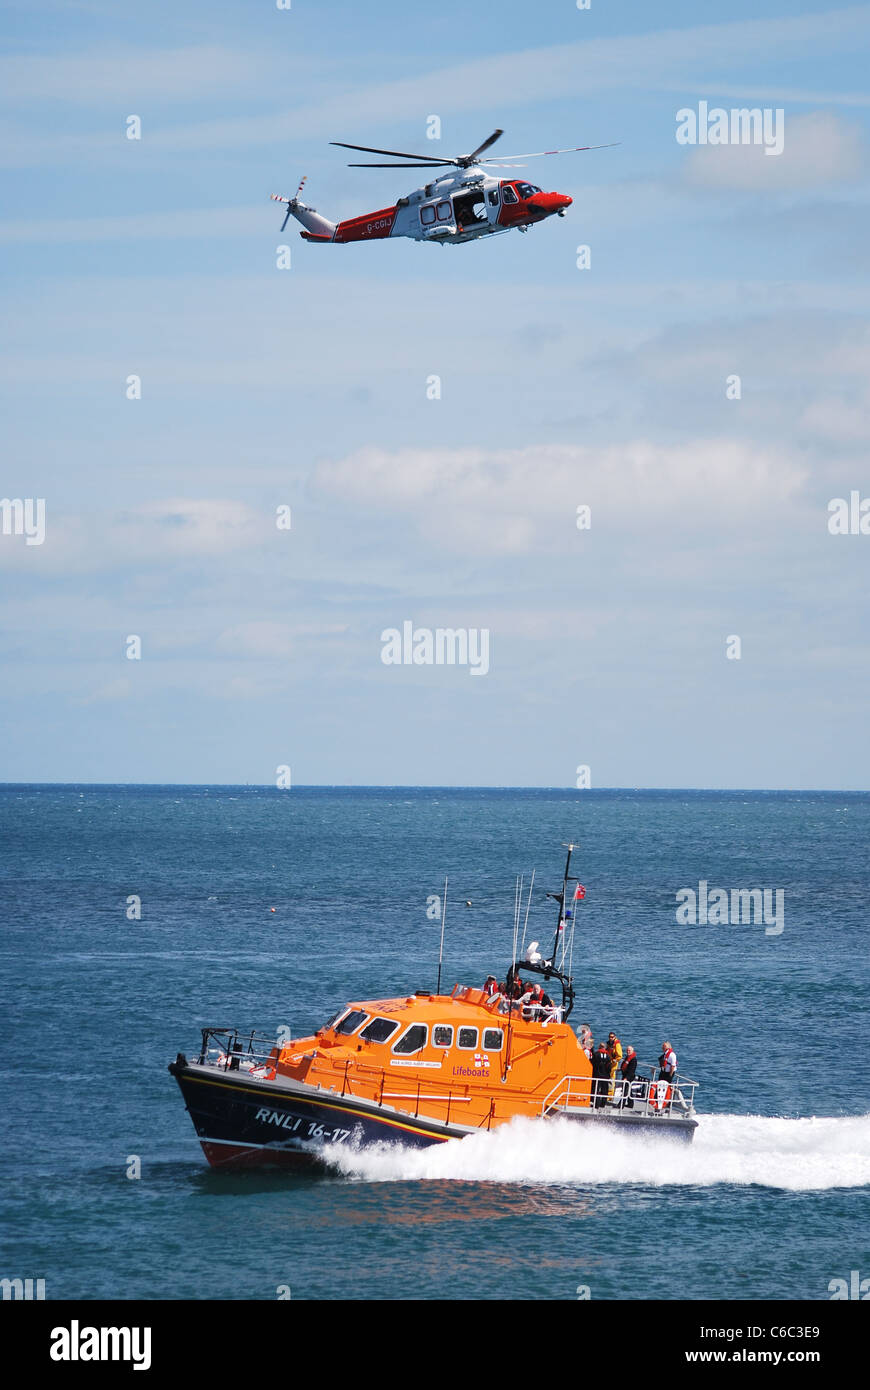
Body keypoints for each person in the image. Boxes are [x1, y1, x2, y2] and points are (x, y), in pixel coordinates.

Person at [591, 1039, 611, 1108]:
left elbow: (593, 1063)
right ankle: (603, 1104)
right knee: (604, 1091)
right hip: (605, 1076)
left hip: (597, 1075)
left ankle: (596, 1104)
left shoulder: (596, 1054)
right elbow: (609, 1067)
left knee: (596, 1090)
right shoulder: (608, 1056)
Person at [607, 1031, 623, 1098]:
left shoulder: (617, 1044)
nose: (611, 1038)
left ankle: (610, 1096)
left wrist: (614, 1061)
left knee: (611, 1079)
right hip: (608, 1063)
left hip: (613, 1064)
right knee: (608, 1078)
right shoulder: (609, 1043)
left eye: (612, 1037)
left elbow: (620, 1055)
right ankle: (608, 1094)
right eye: (610, 1037)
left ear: (615, 1037)